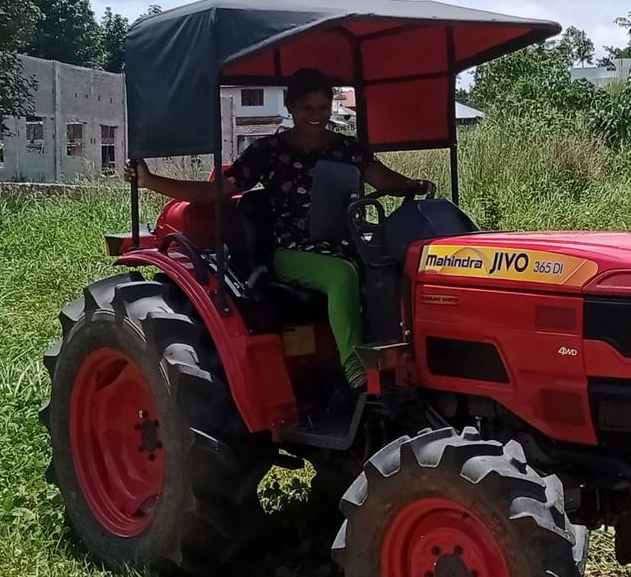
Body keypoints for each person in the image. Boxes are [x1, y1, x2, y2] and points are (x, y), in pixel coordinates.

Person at [125, 68, 433, 388]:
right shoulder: (268, 151)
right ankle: (356, 371)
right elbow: (215, 191)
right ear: (289, 107)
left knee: (399, 265)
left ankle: (408, 361)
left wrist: (414, 185)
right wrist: (150, 181)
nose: (315, 115)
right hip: (292, 249)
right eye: (306, 108)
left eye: (322, 107)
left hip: (346, 244)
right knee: (342, 275)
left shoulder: (348, 148)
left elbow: (381, 178)